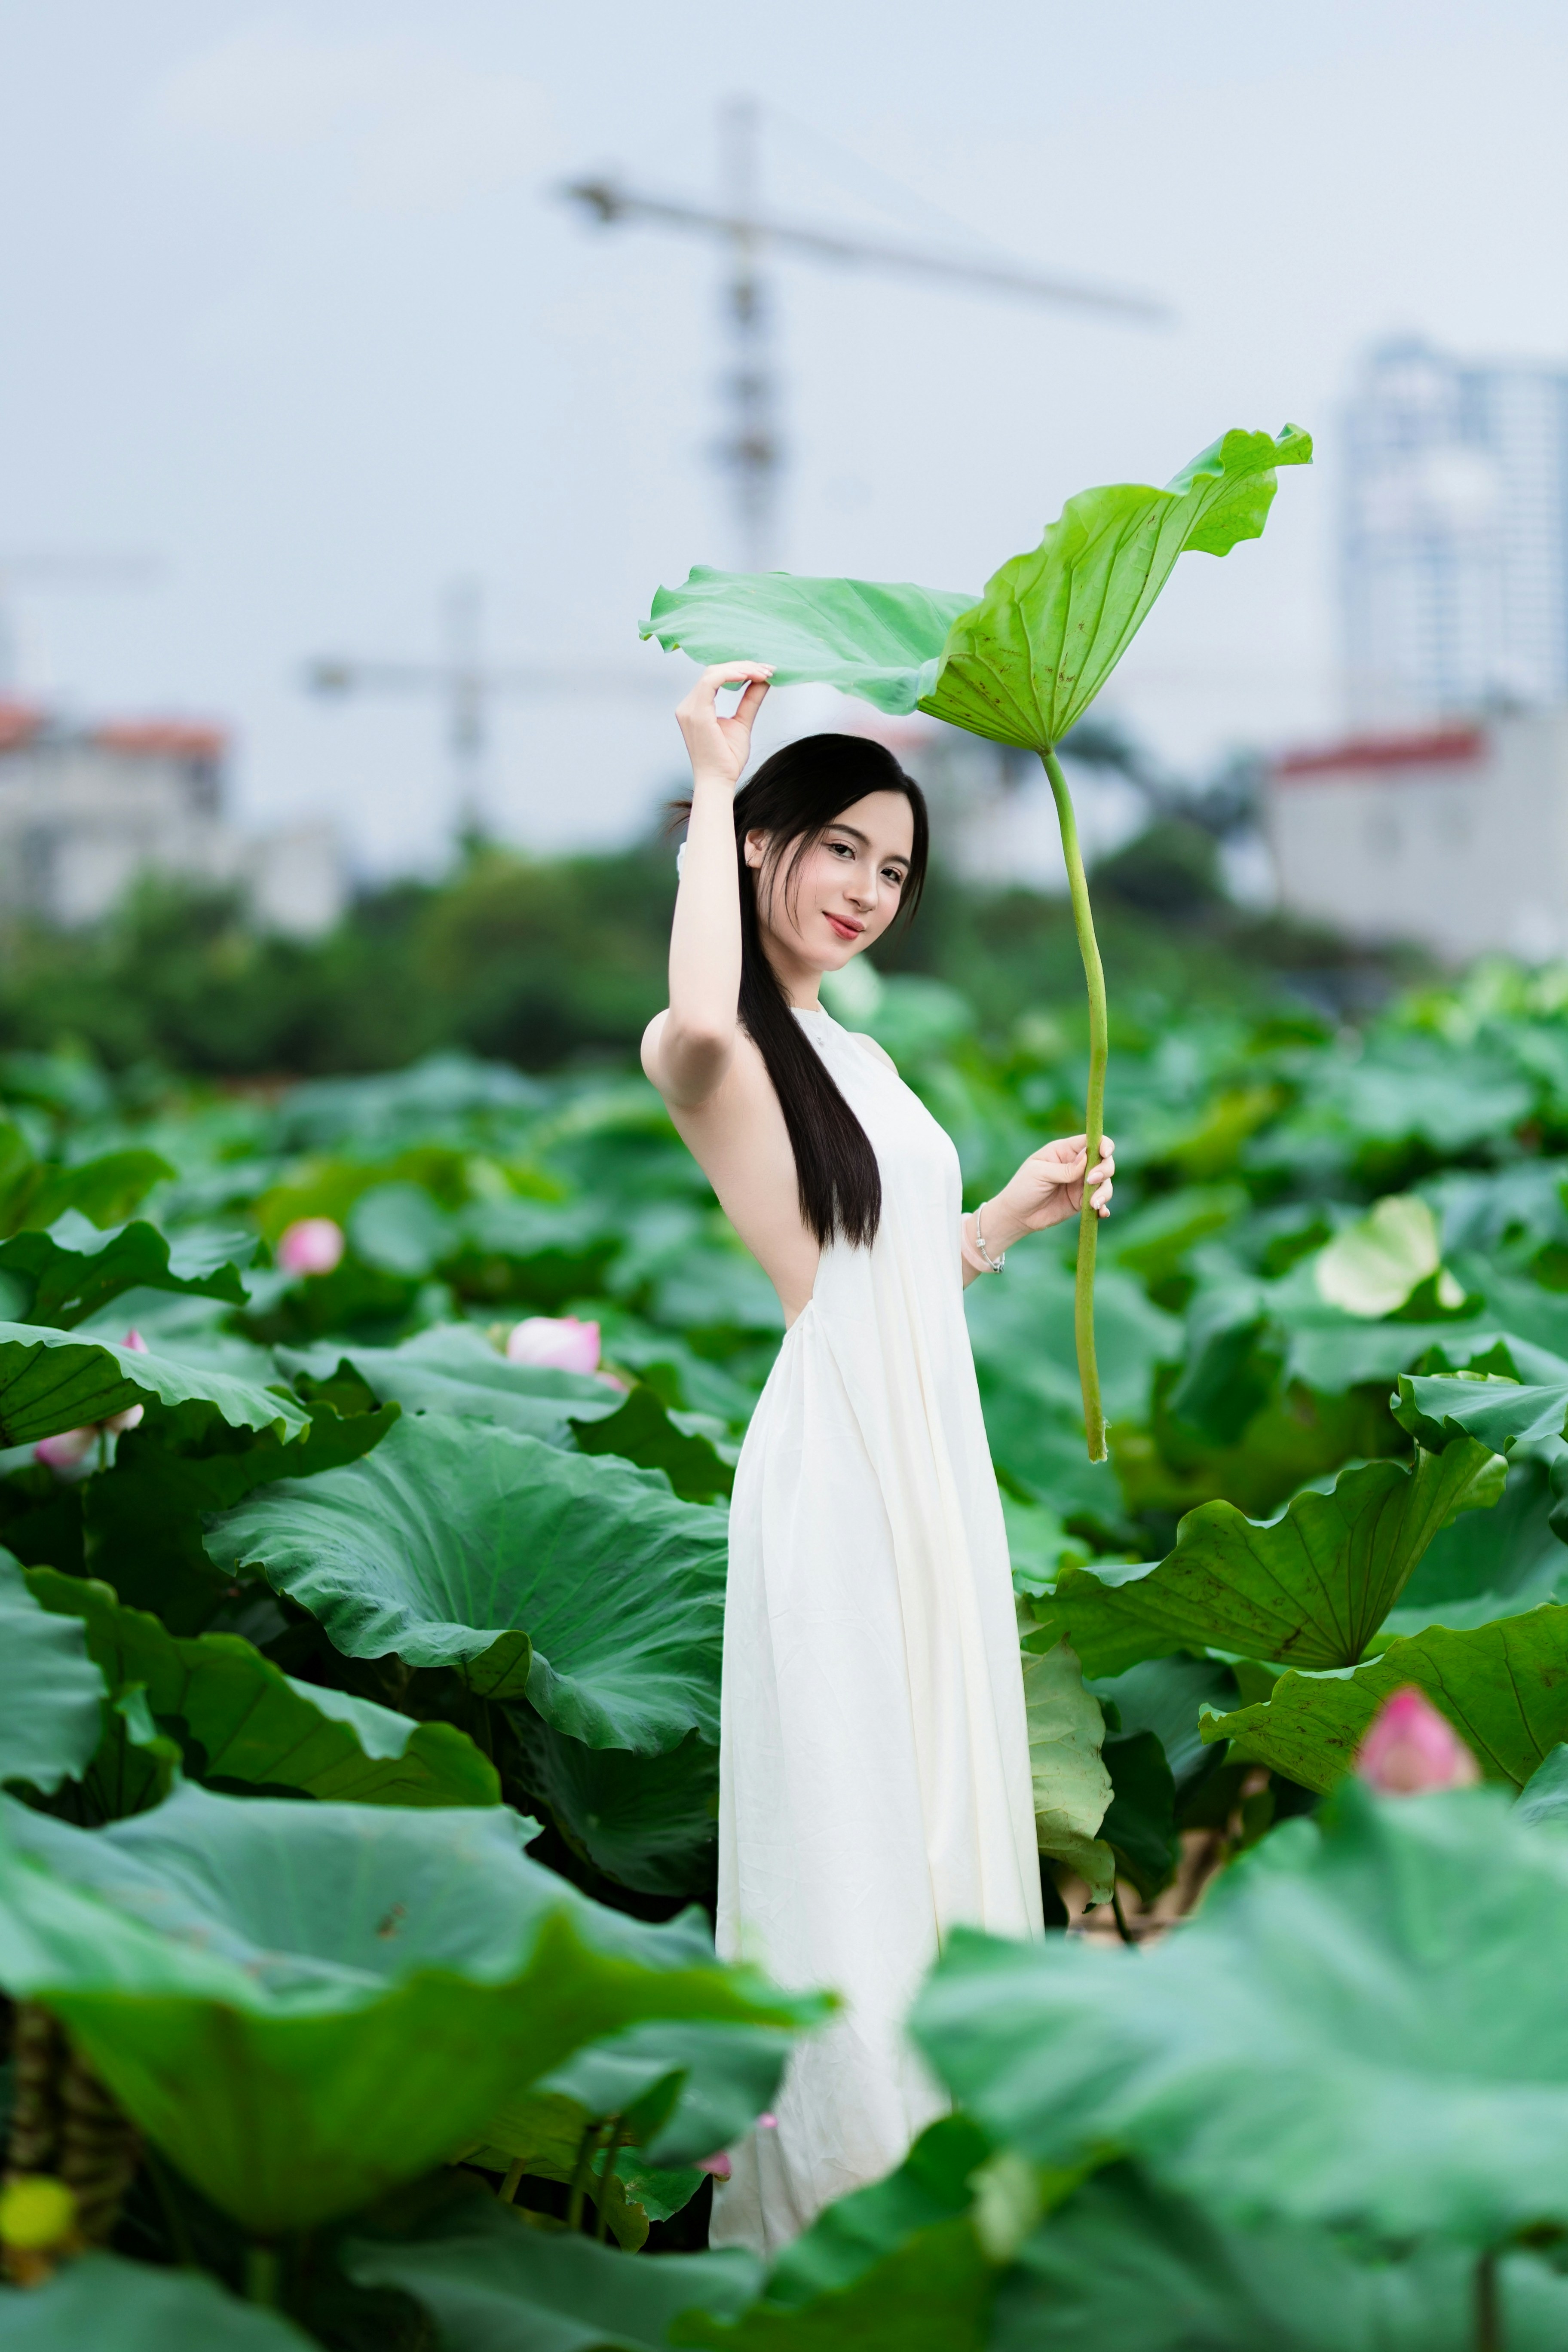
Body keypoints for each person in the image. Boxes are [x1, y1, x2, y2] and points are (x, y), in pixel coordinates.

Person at [641, 663, 1115, 2255]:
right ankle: (841, 2213)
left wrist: (998, 1224)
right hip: (838, 1462)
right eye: (837, 847)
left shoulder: (859, 1058)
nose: (866, 889)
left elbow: (870, 1258)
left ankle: (946, 2177)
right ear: (766, 845)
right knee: (851, 1833)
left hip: (927, 1452)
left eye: (894, 867)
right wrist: (711, 775)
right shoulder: (704, 1047)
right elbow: (706, 1008)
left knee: (934, 1810)